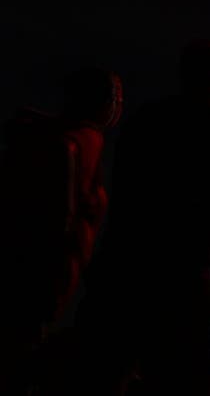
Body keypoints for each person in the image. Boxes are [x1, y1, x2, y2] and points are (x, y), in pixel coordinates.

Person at [73, 40, 210, 396]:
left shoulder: (142, 122)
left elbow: (122, 196)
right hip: (184, 284)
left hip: (119, 277)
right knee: (194, 380)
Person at [0, 67, 122, 395]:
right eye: (116, 98)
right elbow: (58, 219)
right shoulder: (76, 143)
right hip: (32, 287)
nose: (119, 106)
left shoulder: (52, 138)